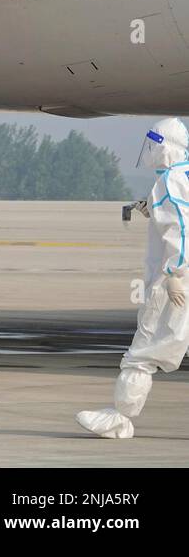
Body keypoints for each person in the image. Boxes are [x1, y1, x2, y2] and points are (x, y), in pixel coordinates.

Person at [78, 117, 189, 438]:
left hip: (174, 281)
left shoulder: (169, 181)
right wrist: (153, 209)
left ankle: (119, 419)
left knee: (142, 352)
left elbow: (180, 230)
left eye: (154, 146)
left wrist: (174, 274)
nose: (150, 152)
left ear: (164, 147)